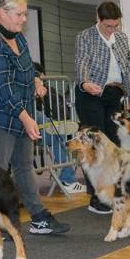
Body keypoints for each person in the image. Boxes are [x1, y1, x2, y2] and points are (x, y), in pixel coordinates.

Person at [0, 0, 69, 235]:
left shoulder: (18, 37)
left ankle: (39, 217)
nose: (24, 19)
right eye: (19, 14)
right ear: (2, 12)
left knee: (23, 165)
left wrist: (36, 81)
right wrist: (26, 117)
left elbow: (26, 69)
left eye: (24, 14)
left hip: (17, 108)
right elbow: (3, 86)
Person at [74, 1, 130, 214]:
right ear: (98, 19)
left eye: (115, 26)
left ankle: (115, 191)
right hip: (90, 95)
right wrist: (84, 82)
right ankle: (97, 197)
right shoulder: (85, 36)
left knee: (115, 143)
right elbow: (82, 62)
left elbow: (128, 67)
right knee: (93, 146)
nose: (111, 30)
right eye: (107, 26)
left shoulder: (121, 38)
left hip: (113, 94)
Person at [32, 62, 85, 194]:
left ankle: (67, 179)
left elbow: (62, 112)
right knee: (56, 130)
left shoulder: (51, 90)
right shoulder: (29, 92)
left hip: (51, 129)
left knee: (59, 133)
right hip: (36, 131)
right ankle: (67, 180)